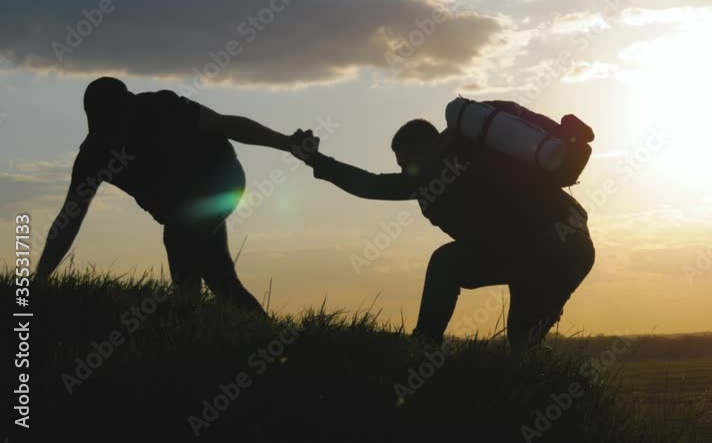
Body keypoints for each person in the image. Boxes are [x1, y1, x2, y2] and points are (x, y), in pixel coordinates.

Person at [291, 115, 595, 350]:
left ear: (426, 149)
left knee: (448, 266)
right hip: (563, 246)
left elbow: (370, 185)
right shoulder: (474, 153)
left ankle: (423, 348)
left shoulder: (437, 168)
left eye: (406, 163)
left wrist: (316, 160)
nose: (403, 171)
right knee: (521, 341)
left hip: (548, 248)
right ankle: (428, 348)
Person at [35, 77, 305, 316]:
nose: (113, 129)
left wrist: (287, 143)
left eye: (116, 117)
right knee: (221, 279)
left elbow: (227, 125)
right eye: (103, 123)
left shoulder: (163, 106)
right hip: (183, 205)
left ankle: (187, 317)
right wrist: (41, 279)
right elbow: (70, 218)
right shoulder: (93, 155)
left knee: (178, 234)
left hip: (222, 180)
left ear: (129, 103)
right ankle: (266, 337)